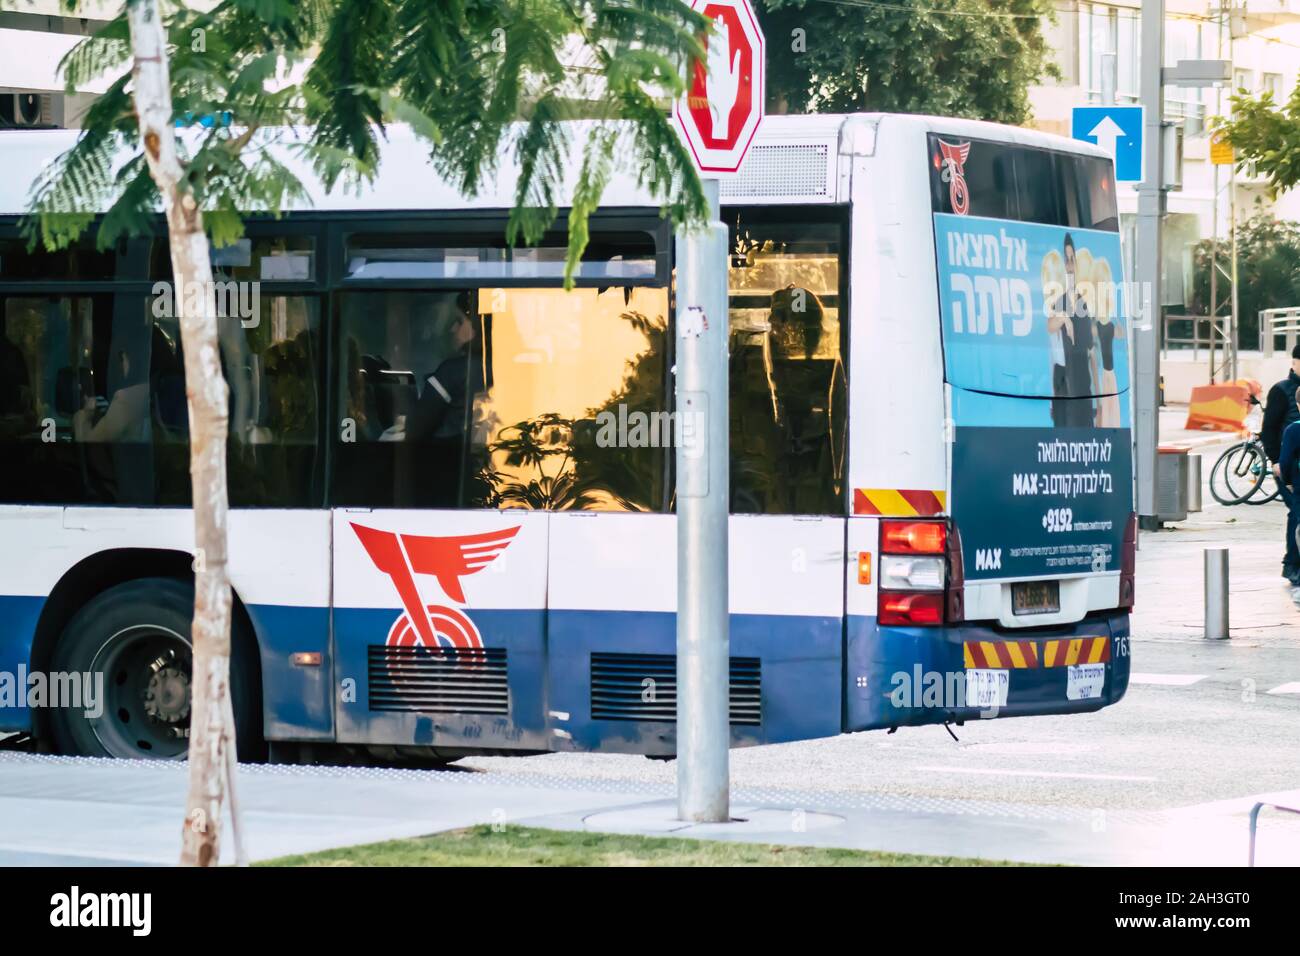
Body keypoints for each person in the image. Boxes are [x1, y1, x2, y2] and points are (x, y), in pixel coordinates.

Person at [1261, 344, 1300, 581]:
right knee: (1297, 512)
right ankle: (1291, 565)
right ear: (1295, 362)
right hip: (1287, 467)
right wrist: (1276, 461)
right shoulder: (1281, 390)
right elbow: (1269, 431)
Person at [1274, 388, 1300, 586]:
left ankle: (1293, 566)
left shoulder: (1293, 430)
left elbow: (1284, 462)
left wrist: (1289, 483)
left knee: (1297, 521)